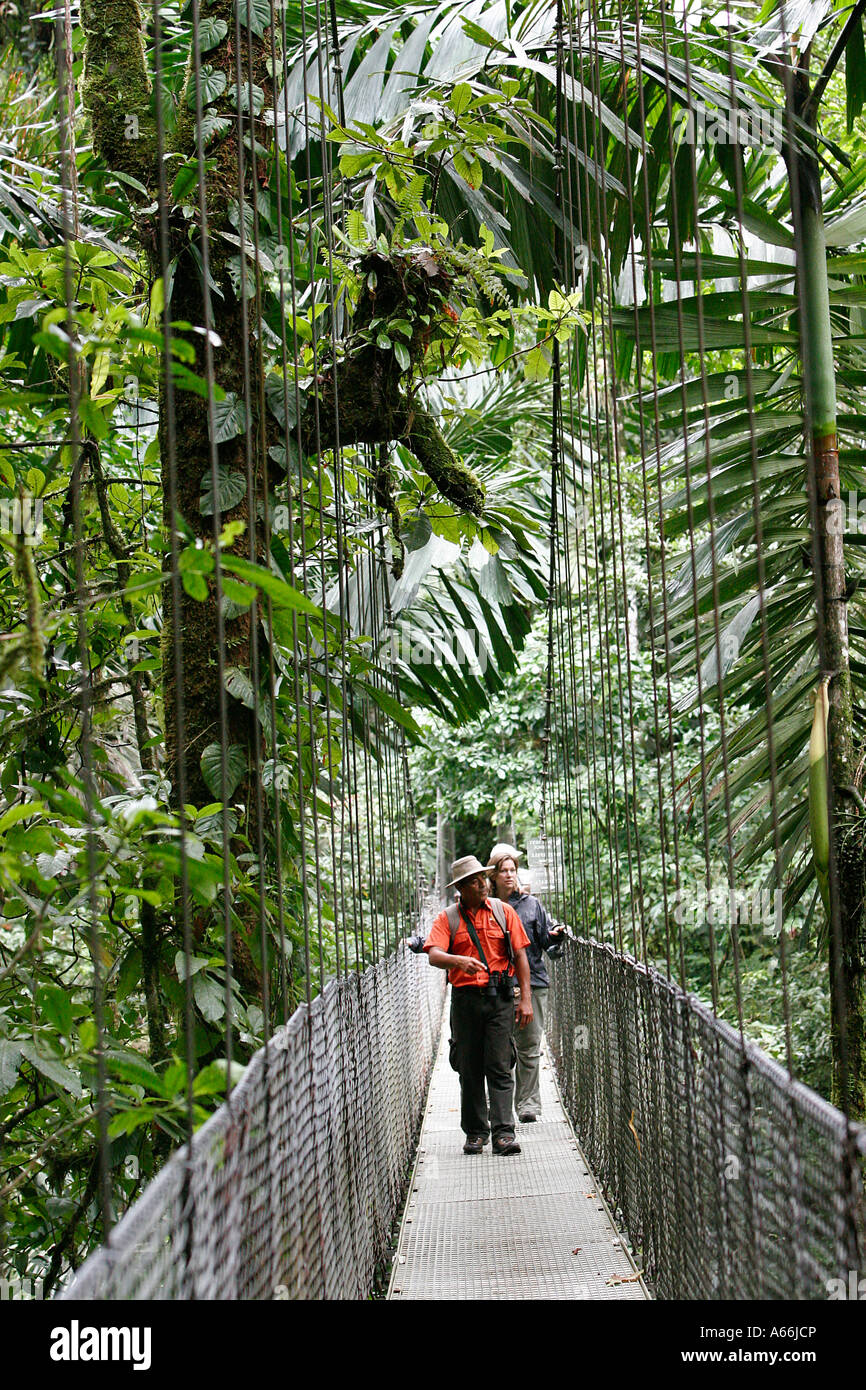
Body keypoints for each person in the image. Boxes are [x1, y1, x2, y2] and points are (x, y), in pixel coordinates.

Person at [424, 854, 533, 1156]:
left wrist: (525, 999)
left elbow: (521, 956)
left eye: (483, 878)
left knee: (499, 1064)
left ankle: (503, 1134)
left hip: (499, 999)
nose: (482, 884)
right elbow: (433, 954)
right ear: (461, 888)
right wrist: (457, 960)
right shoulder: (448, 918)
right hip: (465, 1001)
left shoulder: (503, 911)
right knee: (469, 1068)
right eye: (474, 881)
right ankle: (475, 1133)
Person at [487, 842, 565, 1123]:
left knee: (530, 1046)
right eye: (503, 870)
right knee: (500, 1050)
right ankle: (501, 1107)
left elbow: (546, 941)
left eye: (513, 870)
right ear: (493, 875)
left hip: (533, 984)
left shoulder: (532, 905)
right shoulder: (485, 907)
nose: (509, 875)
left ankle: (528, 1105)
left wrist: (555, 935)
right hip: (497, 986)